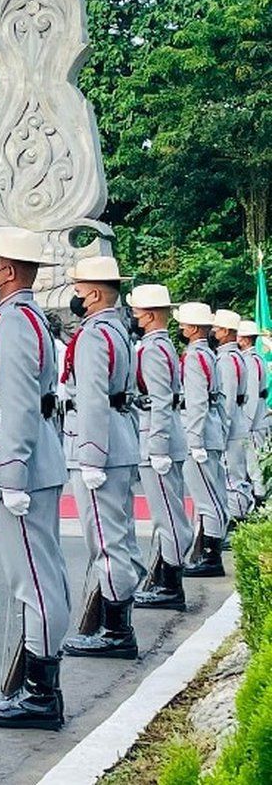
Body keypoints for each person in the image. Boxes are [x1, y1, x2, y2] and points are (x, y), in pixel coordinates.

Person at [0, 226, 69, 732]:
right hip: (32, 458)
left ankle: (40, 695)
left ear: (7, 271)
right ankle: (38, 688)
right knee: (39, 574)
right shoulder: (27, 317)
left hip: (21, 464)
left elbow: (21, 404)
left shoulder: (14, 321)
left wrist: (12, 474)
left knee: (32, 579)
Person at [59, 257, 142, 661]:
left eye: (78, 291)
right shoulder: (117, 329)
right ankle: (116, 623)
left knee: (106, 542)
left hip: (99, 447)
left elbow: (92, 398)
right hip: (119, 439)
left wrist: (90, 457)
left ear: (93, 294)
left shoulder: (94, 334)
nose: (75, 298)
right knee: (119, 535)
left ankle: (116, 631)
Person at [129, 284, 193, 611]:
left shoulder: (154, 349)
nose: (134, 316)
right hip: (164, 437)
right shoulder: (161, 344)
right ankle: (168, 579)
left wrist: (157, 447)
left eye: (137, 312)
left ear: (150, 315)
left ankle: (171, 585)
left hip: (158, 440)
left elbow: (160, 401)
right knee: (168, 513)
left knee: (167, 516)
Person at [176, 301, 230, 577]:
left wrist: (194, 440)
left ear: (194, 328)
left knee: (207, 498)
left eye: (184, 324)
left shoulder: (195, 357)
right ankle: (210, 553)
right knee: (213, 495)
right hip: (212, 430)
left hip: (201, 433)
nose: (181, 328)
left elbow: (196, 402)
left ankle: (211, 556)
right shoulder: (208, 354)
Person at [213, 310, 255, 521]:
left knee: (231, 477)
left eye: (216, 328)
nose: (213, 332)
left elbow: (227, 400)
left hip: (231, 426)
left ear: (226, 331)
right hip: (238, 421)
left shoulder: (227, 359)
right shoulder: (236, 356)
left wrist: (223, 429)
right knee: (236, 475)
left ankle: (237, 520)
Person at [237, 320, 268, 503]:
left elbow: (251, 394)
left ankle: (260, 500)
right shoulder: (255, 358)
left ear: (246, 339)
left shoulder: (250, 361)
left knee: (254, 463)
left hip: (254, 420)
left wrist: (246, 422)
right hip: (258, 417)